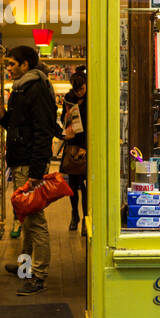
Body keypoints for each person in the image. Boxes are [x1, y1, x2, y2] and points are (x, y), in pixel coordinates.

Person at [0, 45, 58, 296]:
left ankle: (39, 274)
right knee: (26, 218)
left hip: (28, 165)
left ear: (25, 65)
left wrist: (36, 171)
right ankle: (25, 264)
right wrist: (2, 117)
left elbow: (44, 131)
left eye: (12, 64)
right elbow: (18, 127)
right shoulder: (21, 88)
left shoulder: (36, 88)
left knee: (35, 220)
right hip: (20, 161)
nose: (8, 68)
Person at [60, 69, 87, 235]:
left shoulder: (92, 98)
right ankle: (74, 215)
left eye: (82, 89)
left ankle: (86, 219)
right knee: (73, 185)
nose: (79, 92)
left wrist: (86, 146)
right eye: (77, 90)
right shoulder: (68, 99)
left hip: (87, 144)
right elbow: (64, 118)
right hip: (72, 144)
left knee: (85, 186)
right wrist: (67, 123)